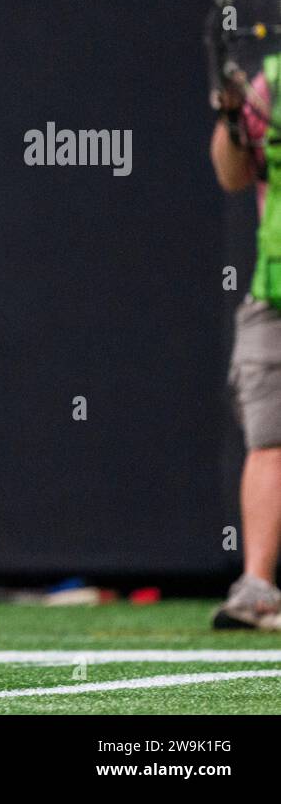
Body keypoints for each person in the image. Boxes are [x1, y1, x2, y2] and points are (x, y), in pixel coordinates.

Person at [211, 59, 281, 629]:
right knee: (267, 438)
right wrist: (233, 120)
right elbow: (232, 175)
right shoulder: (271, 82)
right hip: (273, 289)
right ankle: (256, 587)